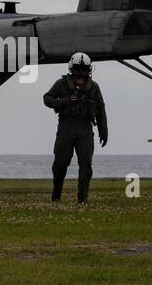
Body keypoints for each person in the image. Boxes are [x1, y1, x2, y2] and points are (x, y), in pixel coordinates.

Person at [43, 52, 108, 203]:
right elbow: (47, 98)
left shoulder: (94, 88)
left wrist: (103, 131)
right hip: (65, 129)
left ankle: (82, 199)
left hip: (85, 130)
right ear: (72, 68)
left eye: (83, 69)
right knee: (60, 164)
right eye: (78, 69)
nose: (80, 73)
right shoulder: (61, 84)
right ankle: (56, 196)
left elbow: (101, 110)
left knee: (85, 164)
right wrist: (65, 101)